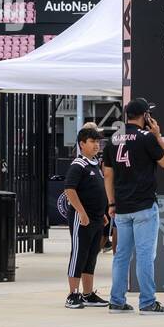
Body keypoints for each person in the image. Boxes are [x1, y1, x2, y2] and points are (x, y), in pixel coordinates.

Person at [103, 98, 164, 314]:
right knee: (144, 255)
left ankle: (116, 300)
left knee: (121, 255)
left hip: (121, 207)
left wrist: (111, 202)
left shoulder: (113, 139)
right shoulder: (147, 138)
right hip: (144, 206)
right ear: (145, 116)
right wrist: (158, 136)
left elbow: (107, 174)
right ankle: (148, 302)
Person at [63, 126, 110, 308]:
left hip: (97, 219)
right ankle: (72, 295)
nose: (96, 145)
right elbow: (69, 190)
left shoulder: (95, 164)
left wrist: (103, 214)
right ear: (82, 144)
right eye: (92, 142)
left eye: (98, 142)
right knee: (79, 254)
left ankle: (88, 294)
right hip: (82, 218)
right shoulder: (78, 165)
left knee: (91, 255)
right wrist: (81, 212)